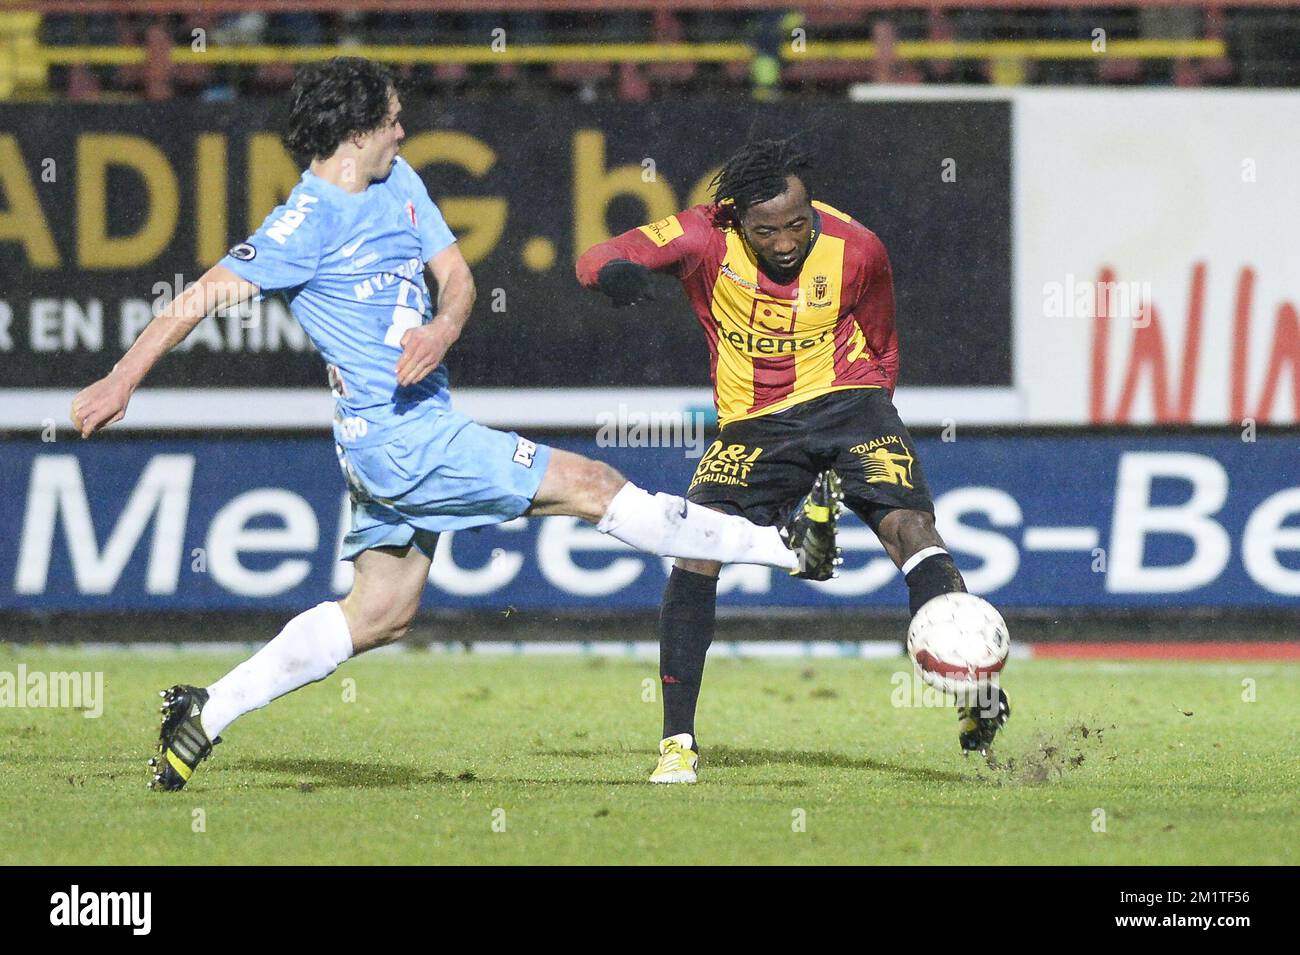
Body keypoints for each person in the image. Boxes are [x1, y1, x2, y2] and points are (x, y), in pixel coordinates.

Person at [70, 59, 837, 792]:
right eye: (393, 123)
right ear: (356, 133)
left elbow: (459, 282)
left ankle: (208, 710)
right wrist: (120, 377)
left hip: (414, 427)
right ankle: (786, 548)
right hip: (399, 441)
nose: (405, 133)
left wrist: (439, 331)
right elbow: (197, 297)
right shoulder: (303, 222)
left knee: (381, 612)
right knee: (593, 484)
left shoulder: (399, 181)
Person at [577, 136, 1010, 783]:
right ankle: (677, 742)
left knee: (912, 529)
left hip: (849, 403)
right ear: (735, 219)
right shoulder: (701, 236)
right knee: (696, 545)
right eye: (766, 231)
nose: (784, 242)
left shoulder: (858, 247)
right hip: (753, 426)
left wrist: (868, 433)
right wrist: (613, 274)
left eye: (796, 225)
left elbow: (884, 344)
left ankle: (978, 692)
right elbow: (598, 255)